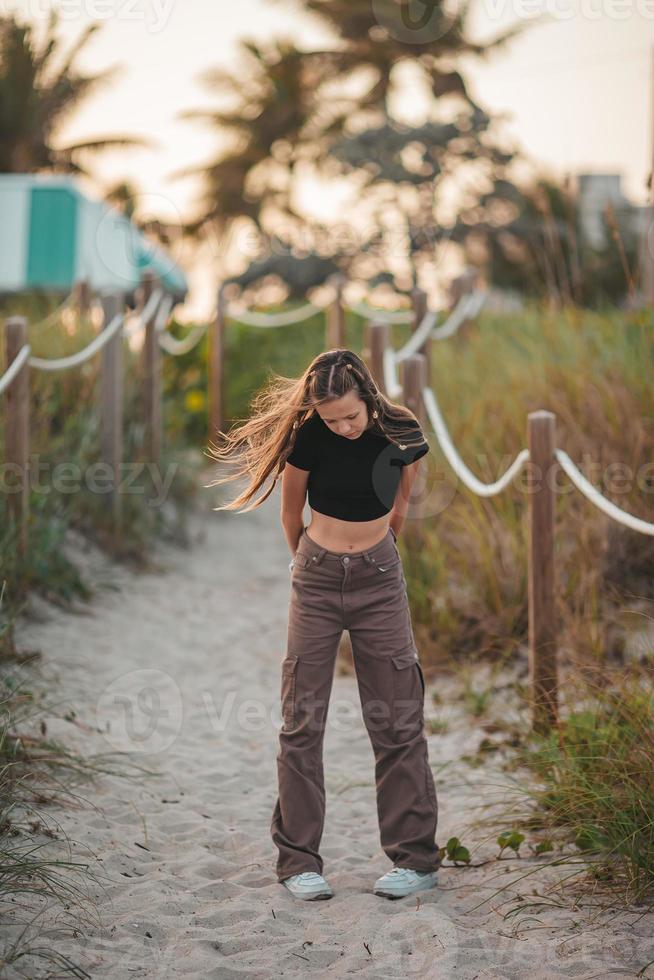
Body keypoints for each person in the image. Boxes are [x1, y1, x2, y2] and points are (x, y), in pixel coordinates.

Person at [207, 349, 440, 901]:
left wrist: (378, 555)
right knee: (302, 720)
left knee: (397, 717)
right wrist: (308, 565)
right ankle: (299, 863)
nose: (343, 427)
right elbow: (291, 514)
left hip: (380, 579)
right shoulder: (310, 435)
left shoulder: (401, 429)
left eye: (350, 416)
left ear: (367, 395)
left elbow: (404, 499)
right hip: (314, 579)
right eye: (333, 419)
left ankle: (416, 859)